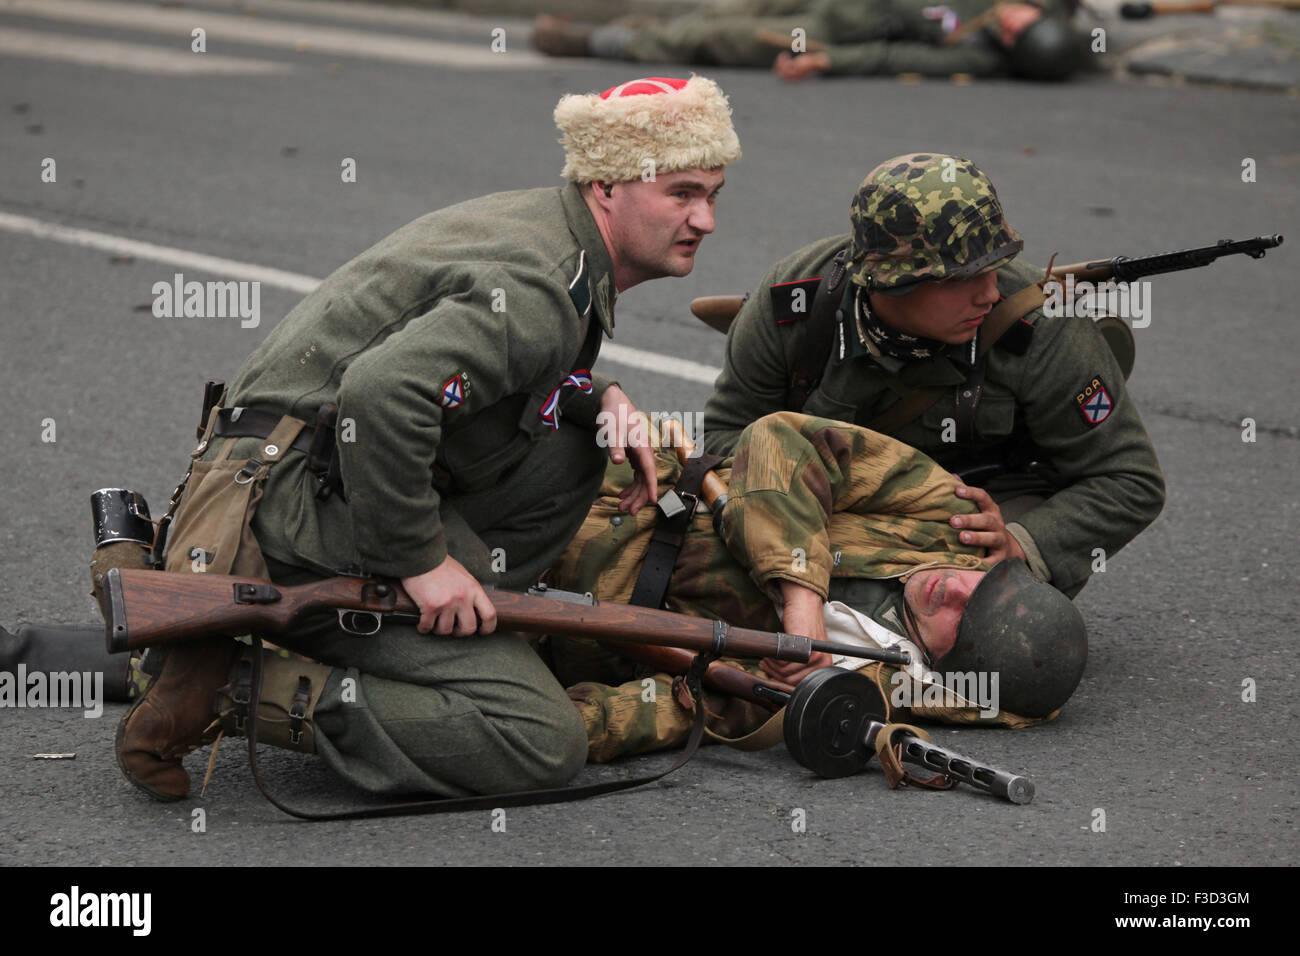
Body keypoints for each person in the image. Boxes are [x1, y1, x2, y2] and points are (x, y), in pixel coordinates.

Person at [111, 75, 742, 803]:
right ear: (606, 185)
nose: (705, 220)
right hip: (279, 505)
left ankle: (431, 634)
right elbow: (383, 395)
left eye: (713, 194)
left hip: (280, 469)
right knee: (539, 739)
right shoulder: (540, 288)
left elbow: (478, 374)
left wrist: (602, 396)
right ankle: (227, 683)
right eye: (683, 193)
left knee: (573, 446)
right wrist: (422, 562)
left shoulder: (546, 230)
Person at [701, 153, 1165, 600]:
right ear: (888, 281)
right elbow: (725, 436)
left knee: (965, 613)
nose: (987, 294)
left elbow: (1127, 477)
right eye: (960, 278)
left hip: (977, 517)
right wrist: (797, 495)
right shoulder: (794, 306)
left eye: (995, 266)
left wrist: (1021, 543)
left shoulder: (1044, 328)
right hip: (828, 507)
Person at [552, 411, 1088, 761]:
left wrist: (564, 729)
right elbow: (782, 440)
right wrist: (800, 611)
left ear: (954, 675)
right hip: (607, 486)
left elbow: (686, 705)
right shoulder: (950, 516)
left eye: (964, 622)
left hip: (563, 627)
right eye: (985, 583)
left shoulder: (857, 691)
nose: (953, 588)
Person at [530, 0, 1082, 81]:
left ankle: (587, 43)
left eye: (1016, 36)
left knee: (716, 36)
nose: (1010, 20)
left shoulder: (977, 51)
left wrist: (825, 60)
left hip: (834, 27)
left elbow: (890, 55)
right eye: (1023, 19)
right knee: (711, 6)